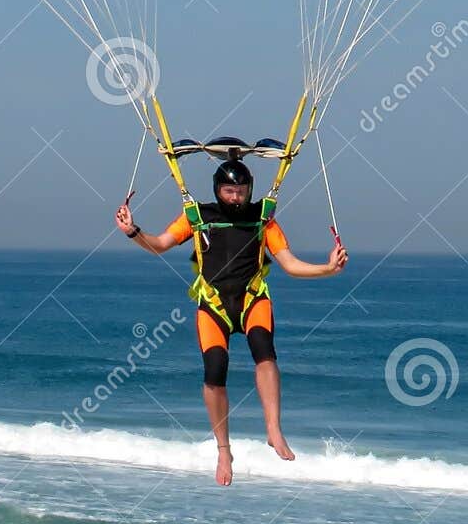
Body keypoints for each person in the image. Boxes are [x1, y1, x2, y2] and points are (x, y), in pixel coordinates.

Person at [115, 152, 347, 486]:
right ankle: (224, 450)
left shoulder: (263, 220)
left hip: (252, 299)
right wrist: (132, 231)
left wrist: (328, 269)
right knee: (214, 371)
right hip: (213, 305)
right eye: (228, 191)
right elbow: (159, 245)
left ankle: (273, 430)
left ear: (250, 190)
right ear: (217, 189)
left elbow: (291, 264)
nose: (235, 197)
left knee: (264, 351)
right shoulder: (197, 217)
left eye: (240, 191)